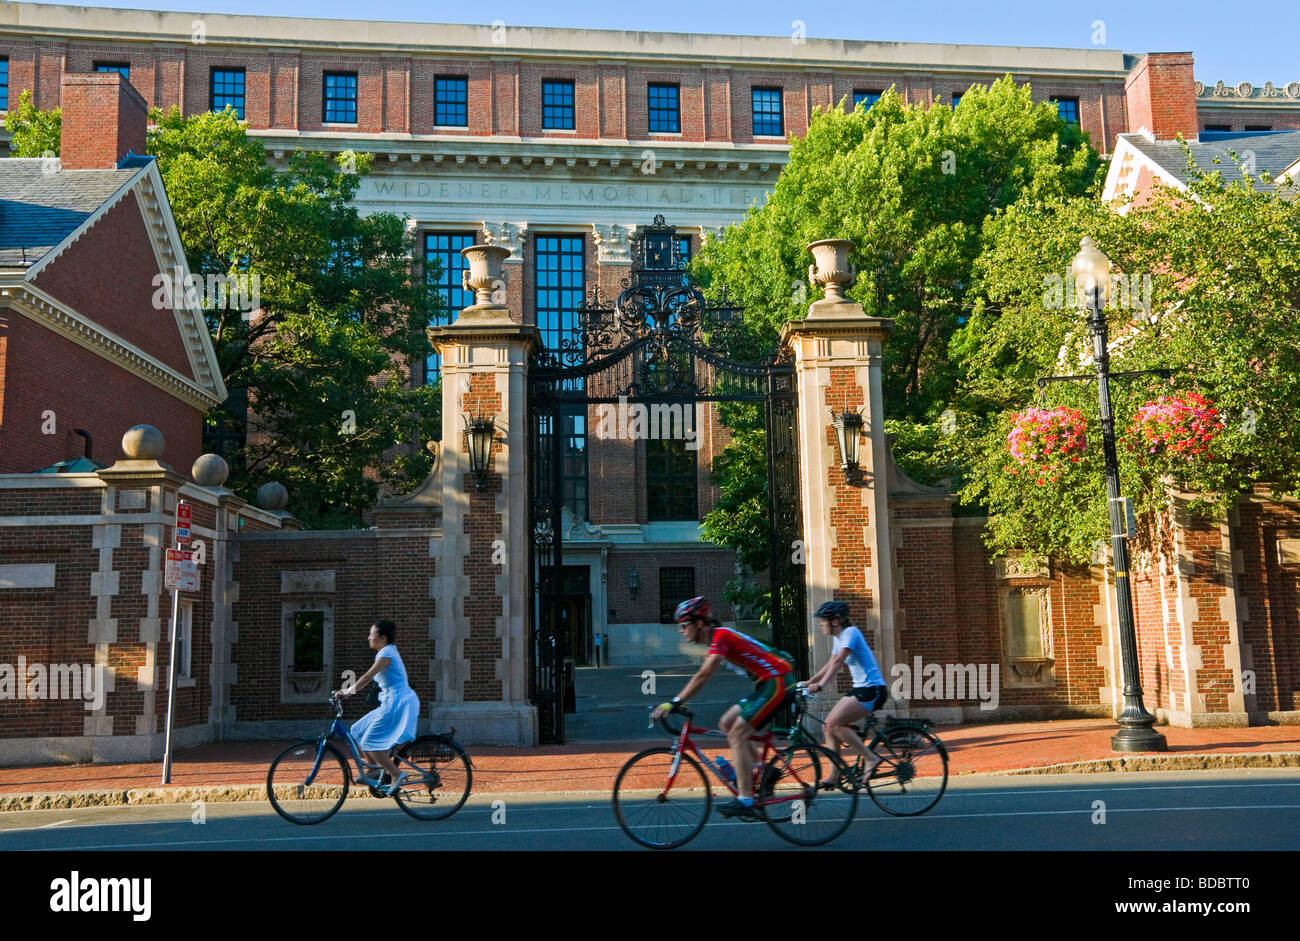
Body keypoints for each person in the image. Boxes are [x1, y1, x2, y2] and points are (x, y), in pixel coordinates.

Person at [652, 596, 795, 820]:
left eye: (684, 625)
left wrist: (676, 701)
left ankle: (746, 799)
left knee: (738, 733)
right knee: (727, 724)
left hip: (777, 681)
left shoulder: (721, 636)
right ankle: (764, 771)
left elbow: (704, 674)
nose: (681, 631)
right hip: (767, 683)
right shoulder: (718, 638)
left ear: (699, 623)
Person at [803, 601, 889, 789]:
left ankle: (871, 758)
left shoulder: (851, 633)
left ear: (835, 621)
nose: (821, 624)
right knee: (828, 727)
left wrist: (821, 685)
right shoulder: (839, 637)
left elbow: (839, 661)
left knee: (834, 724)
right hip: (860, 689)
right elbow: (830, 662)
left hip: (872, 689)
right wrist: (810, 681)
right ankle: (834, 775)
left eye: (823, 621)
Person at [332, 620, 420, 797]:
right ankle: (376, 769)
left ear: (383, 638)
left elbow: (367, 677)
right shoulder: (386, 651)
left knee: (370, 743)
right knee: (357, 731)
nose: (368, 637)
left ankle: (395, 773)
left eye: (372, 634)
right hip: (390, 701)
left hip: (398, 702)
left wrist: (347, 691)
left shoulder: (387, 653)